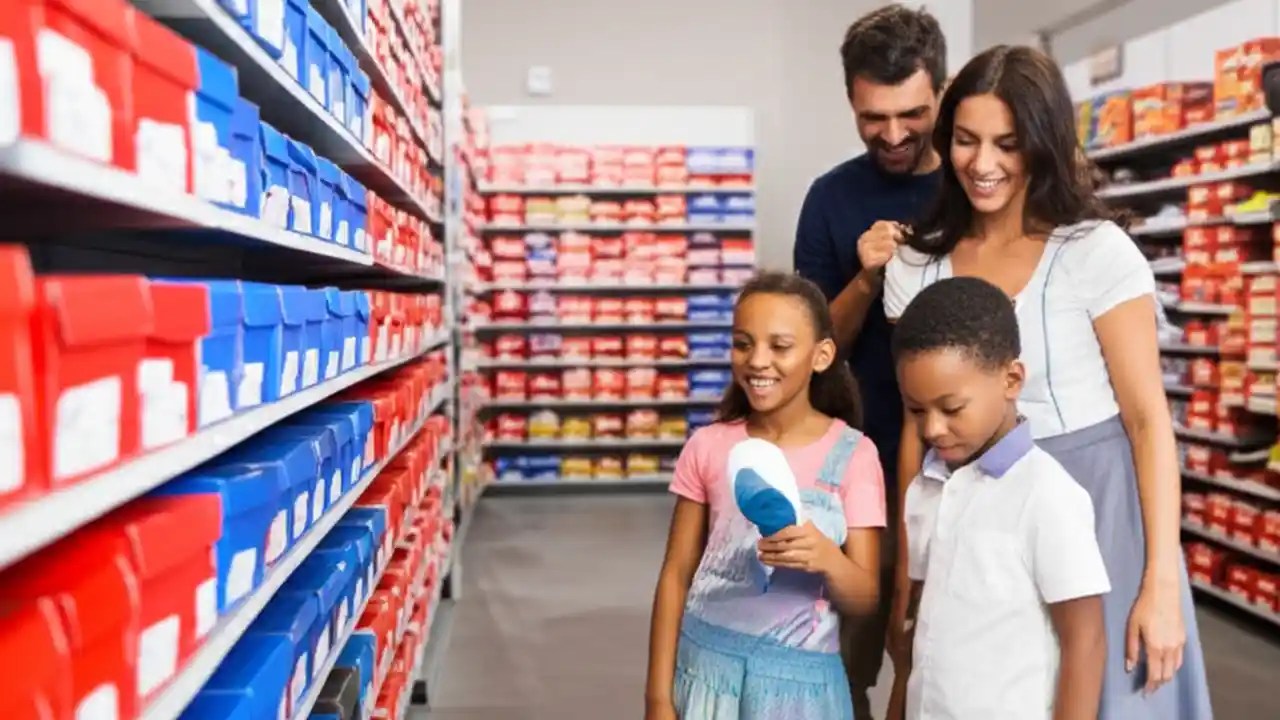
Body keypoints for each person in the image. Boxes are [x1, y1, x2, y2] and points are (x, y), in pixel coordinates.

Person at [882, 45, 1213, 719]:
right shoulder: (915, 264)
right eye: (966, 140)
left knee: (1111, 695)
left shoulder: (1096, 253)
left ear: (1045, 144)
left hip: (1099, 508)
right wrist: (902, 586)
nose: (983, 163)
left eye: (1009, 143)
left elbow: (1148, 422)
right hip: (968, 514)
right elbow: (916, 437)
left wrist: (1160, 586)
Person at [792, 6, 946, 712]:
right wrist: (865, 278)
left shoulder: (977, 185)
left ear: (940, 92)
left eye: (911, 114)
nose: (892, 134)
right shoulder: (830, 198)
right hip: (861, 473)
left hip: (964, 469)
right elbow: (816, 352)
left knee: (953, 658)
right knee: (842, 666)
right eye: (871, 117)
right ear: (851, 99)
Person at [645, 272, 887, 720]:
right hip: (704, 672)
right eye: (743, 343)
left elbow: (866, 596)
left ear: (822, 356)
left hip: (803, 693)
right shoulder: (708, 445)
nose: (757, 361)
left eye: (780, 347)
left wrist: (828, 558)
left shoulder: (855, 455)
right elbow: (676, 575)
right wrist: (658, 699)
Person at [892, 276, 1109, 719]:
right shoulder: (925, 488)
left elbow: (1085, 640)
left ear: (1011, 379)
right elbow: (916, 638)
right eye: (917, 410)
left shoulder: (1048, 495)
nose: (932, 429)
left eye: (951, 409)